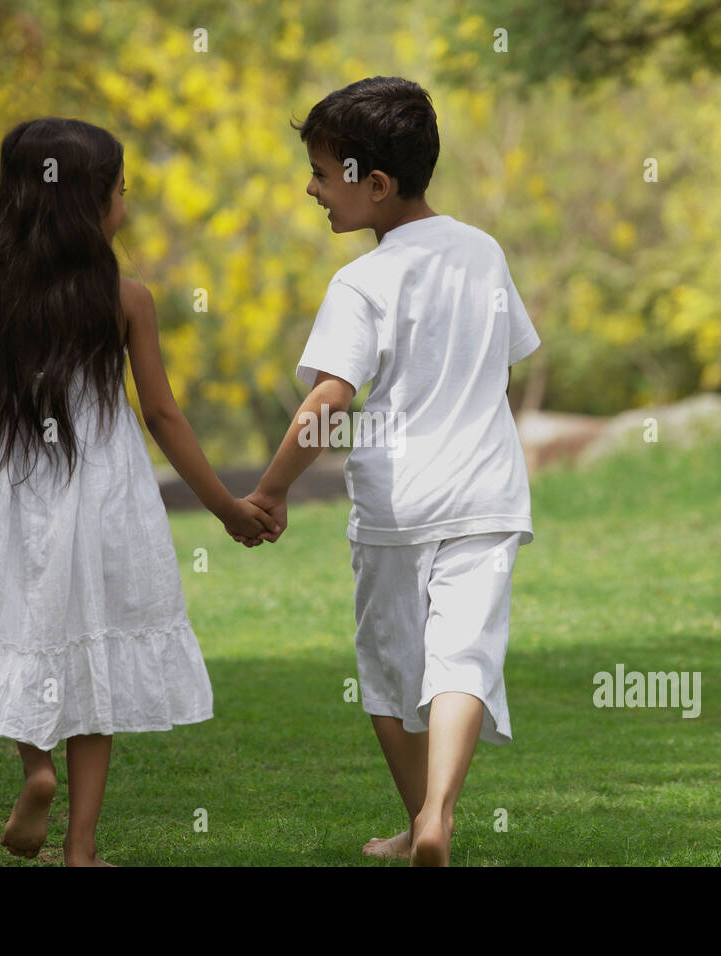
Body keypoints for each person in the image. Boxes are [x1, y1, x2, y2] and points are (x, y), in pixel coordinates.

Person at [0, 117, 278, 867]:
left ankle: (36, 772)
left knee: (24, 633)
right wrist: (226, 507)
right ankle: (82, 852)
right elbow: (161, 414)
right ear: (91, 205)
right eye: (121, 188)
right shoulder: (127, 299)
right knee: (95, 661)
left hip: (12, 490)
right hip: (104, 496)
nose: (127, 200)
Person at [243, 76, 541, 867]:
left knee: (388, 666)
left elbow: (329, 401)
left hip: (397, 505)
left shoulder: (361, 282)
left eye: (321, 172)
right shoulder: (484, 250)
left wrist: (270, 489)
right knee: (464, 659)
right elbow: (501, 363)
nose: (311, 189)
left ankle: (420, 817)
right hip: (486, 494)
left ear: (374, 185)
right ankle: (437, 815)